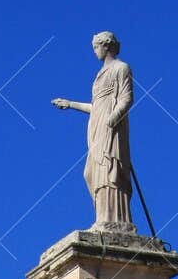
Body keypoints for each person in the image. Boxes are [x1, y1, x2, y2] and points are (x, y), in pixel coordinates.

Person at [52, 31, 135, 230]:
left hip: (112, 126)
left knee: (109, 167)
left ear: (106, 45)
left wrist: (112, 119)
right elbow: (96, 107)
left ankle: (117, 220)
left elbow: (127, 98)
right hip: (98, 126)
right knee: (91, 172)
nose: (95, 51)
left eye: (96, 47)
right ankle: (103, 217)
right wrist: (70, 104)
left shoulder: (121, 68)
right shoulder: (99, 74)